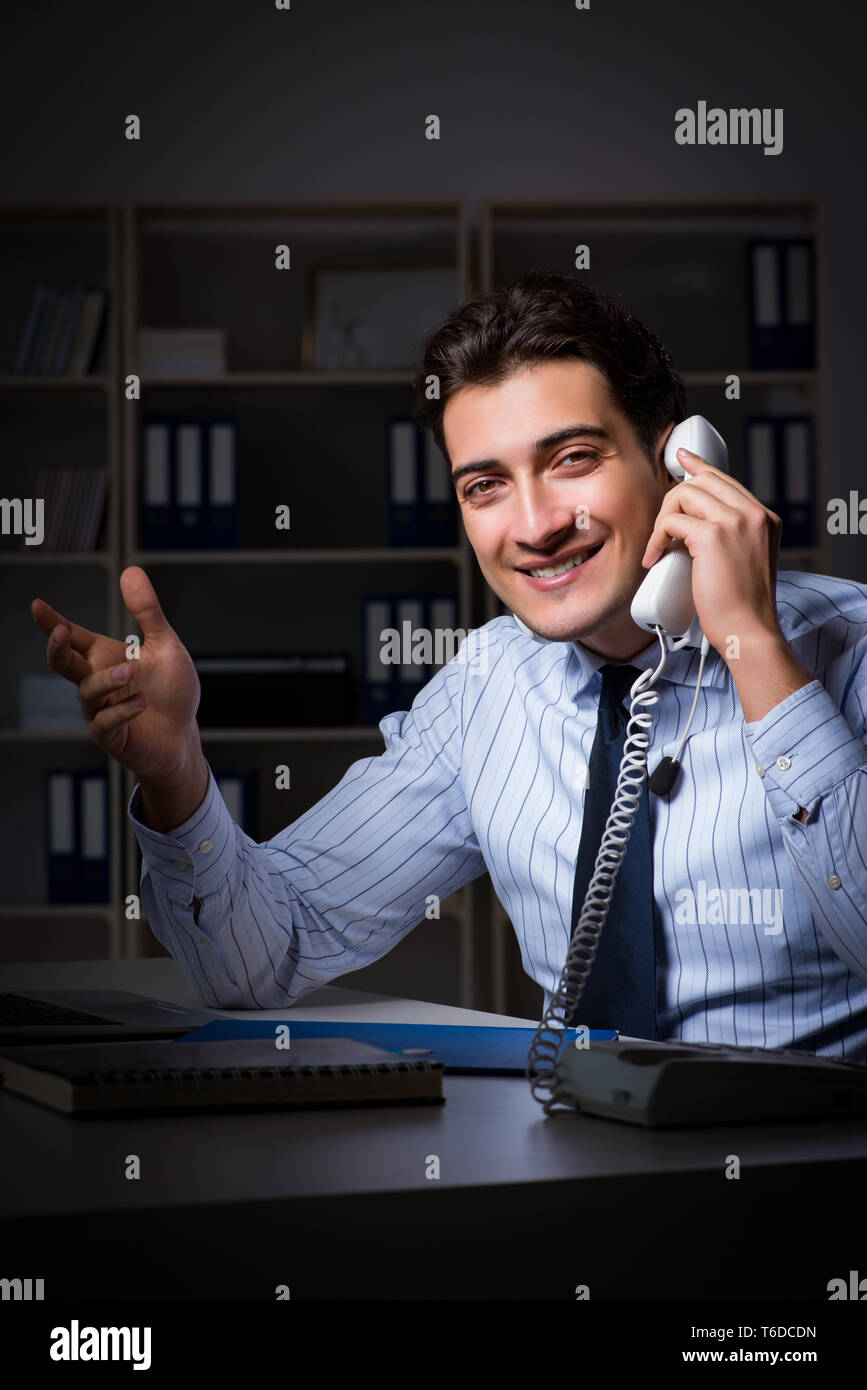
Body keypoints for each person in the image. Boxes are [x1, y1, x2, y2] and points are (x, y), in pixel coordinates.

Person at [31, 272, 867, 1058]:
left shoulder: (848, 645)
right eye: (485, 486)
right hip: (583, 1167)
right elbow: (259, 958)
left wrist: (754, 648)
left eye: (571, 458)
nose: (534, 525)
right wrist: (178, 775)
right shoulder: (485, 689)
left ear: (679, 460)